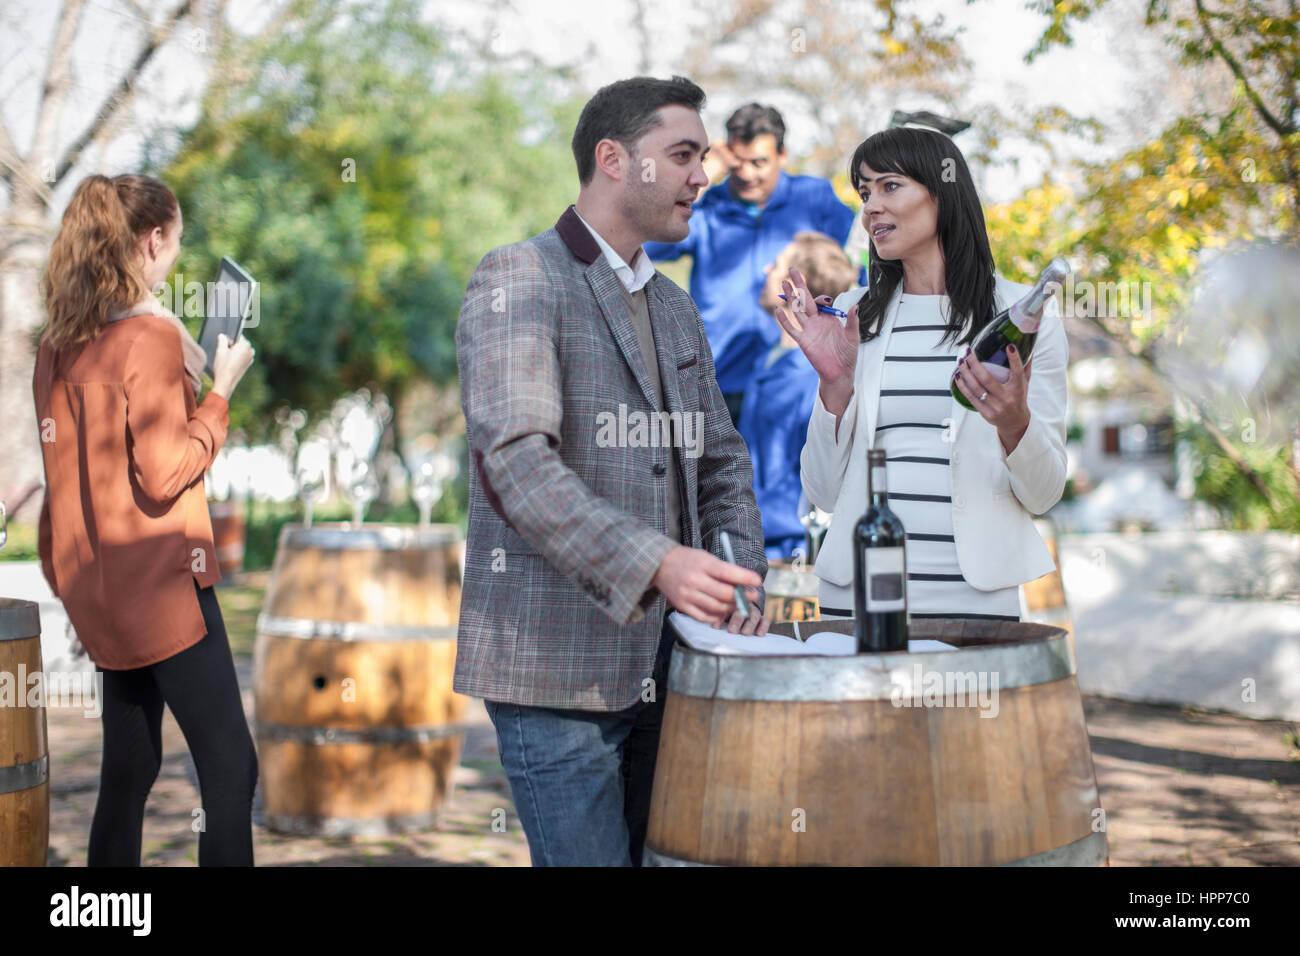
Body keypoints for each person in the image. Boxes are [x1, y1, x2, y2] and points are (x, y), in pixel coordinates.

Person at [455, 75, 769, 867]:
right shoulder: (516, 278)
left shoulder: (673, 305)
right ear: (615, 160)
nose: (706, 175)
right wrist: (657, 562)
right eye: (685, 154)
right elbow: (518, 465)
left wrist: (737, 575)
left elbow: (721, 461)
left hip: (678, 669)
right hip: (555, 678)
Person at [33, 173, 258, 865]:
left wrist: (182, 369)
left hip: (97, 590)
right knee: (230, 770)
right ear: (152, 240)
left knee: (127, 773)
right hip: (163, 587)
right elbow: (163, 474)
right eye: (175, 242)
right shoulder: (149, 339)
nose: (174, 258)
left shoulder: (57, 344)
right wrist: (219, 394)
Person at [781, 126, 1069, 621]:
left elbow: (1043, 495)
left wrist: (1014, 423)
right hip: (857, 604)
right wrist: (835, 386)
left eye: (890, 186)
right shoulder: (851, 317)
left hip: (974, 604)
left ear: (943, 194)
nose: (871, 206)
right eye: (865, 192)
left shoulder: (1023, 317)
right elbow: (823, 493)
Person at [644, 103, 857, 426]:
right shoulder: (708, 205)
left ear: (782, 155)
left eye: (759, 162)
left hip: (794, 378)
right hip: (718, 384)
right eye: (737, 163)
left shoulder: (815, 199)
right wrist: (694, 182)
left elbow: (861, 263)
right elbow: (644, 244)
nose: (747, 174)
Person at [739, 231, 858, 560]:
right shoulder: (768, 359)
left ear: (797, 287)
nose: (765, 271)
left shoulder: (814, 379)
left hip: (793, 549)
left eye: (776, 265)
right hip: (758, 540)